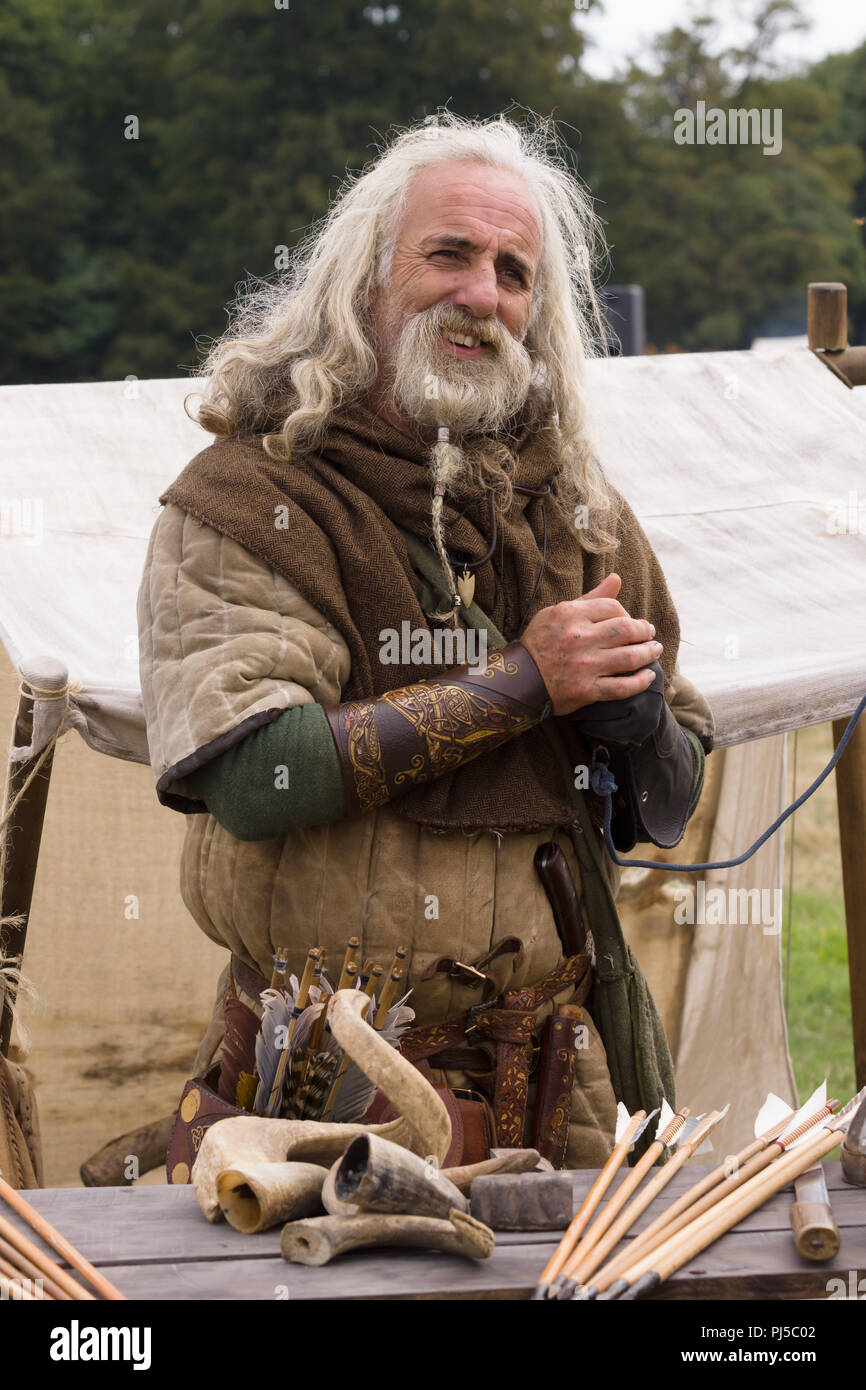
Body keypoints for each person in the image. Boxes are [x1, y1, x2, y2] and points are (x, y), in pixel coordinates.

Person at [137, 112, 714, 1174]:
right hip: (318, 1093)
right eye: (447, 253)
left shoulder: (576, 508)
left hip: (554, 1087)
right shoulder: (252, 496)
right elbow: (259, 774)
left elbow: (668, 801)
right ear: (365, 279)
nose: (479, 293)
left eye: (511, 271)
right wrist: (524, 682)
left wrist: (630, 717)